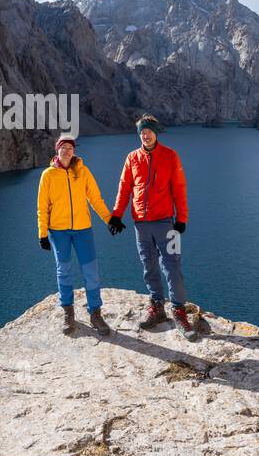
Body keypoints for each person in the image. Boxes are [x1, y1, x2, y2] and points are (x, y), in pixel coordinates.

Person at [106, 114, 195, 340]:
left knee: (173, 265)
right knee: (149, 265)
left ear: (156, 132)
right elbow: (124, 188)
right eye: (142, 132)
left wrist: (181, 218)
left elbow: (179, 189)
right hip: (141, 224)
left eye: (149, 131)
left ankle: (178, 310)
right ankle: (157, 305)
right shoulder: (132, 158)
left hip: (166, 221)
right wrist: (116, 215)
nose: (145, 135)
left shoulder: (170, 156)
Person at [37, 135, 117, 336]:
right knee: (63, 270)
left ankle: (95, 313)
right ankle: (68, 313)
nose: (66, 151)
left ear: (74, 152)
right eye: (63, 147)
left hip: (83, 230)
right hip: (58, 231)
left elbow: (95, 198)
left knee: (91, 272)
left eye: (70, 148)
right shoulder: (48, 175)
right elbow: (42, 207)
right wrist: (42, 233)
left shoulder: (83, 171)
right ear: (57, 150)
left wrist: (109, 220)